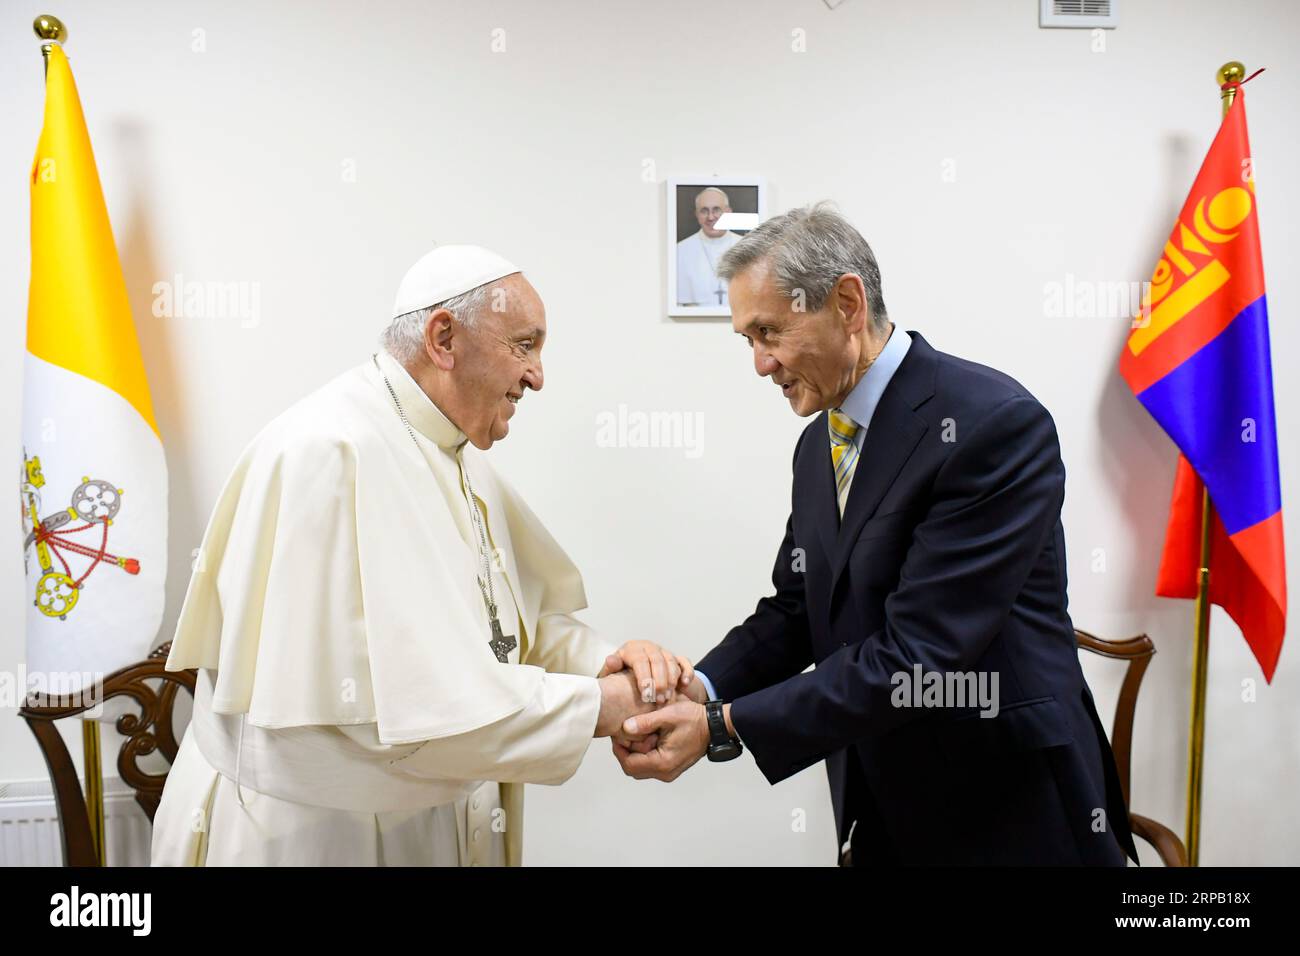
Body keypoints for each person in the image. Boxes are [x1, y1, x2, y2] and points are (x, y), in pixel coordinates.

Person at [616, 204, 1140, 866]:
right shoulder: (817, 446)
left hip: (1007, 808)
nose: (758, 364)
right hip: (883, 804)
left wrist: (723, 727)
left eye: (769, 332)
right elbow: (798, 610)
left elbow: (918, 654)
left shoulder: (992, 426)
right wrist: (701, 688)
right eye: (747, 339)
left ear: (846, 303)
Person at [152, 245, 690, 866]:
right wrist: (609, 704)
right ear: (443, 338)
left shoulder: (454, 450)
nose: (538, 376)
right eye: (524, 345)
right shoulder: (328, 454)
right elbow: (399, 715)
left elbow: (506, 627)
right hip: (322, 838)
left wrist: (610, 663)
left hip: (428, 827)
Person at [676, 187, 741, 306]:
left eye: (716, 210)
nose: (710, 217)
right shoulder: (680, 251)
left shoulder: (744, 246)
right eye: (704, 211)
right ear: (696, 214)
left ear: (728, 212)